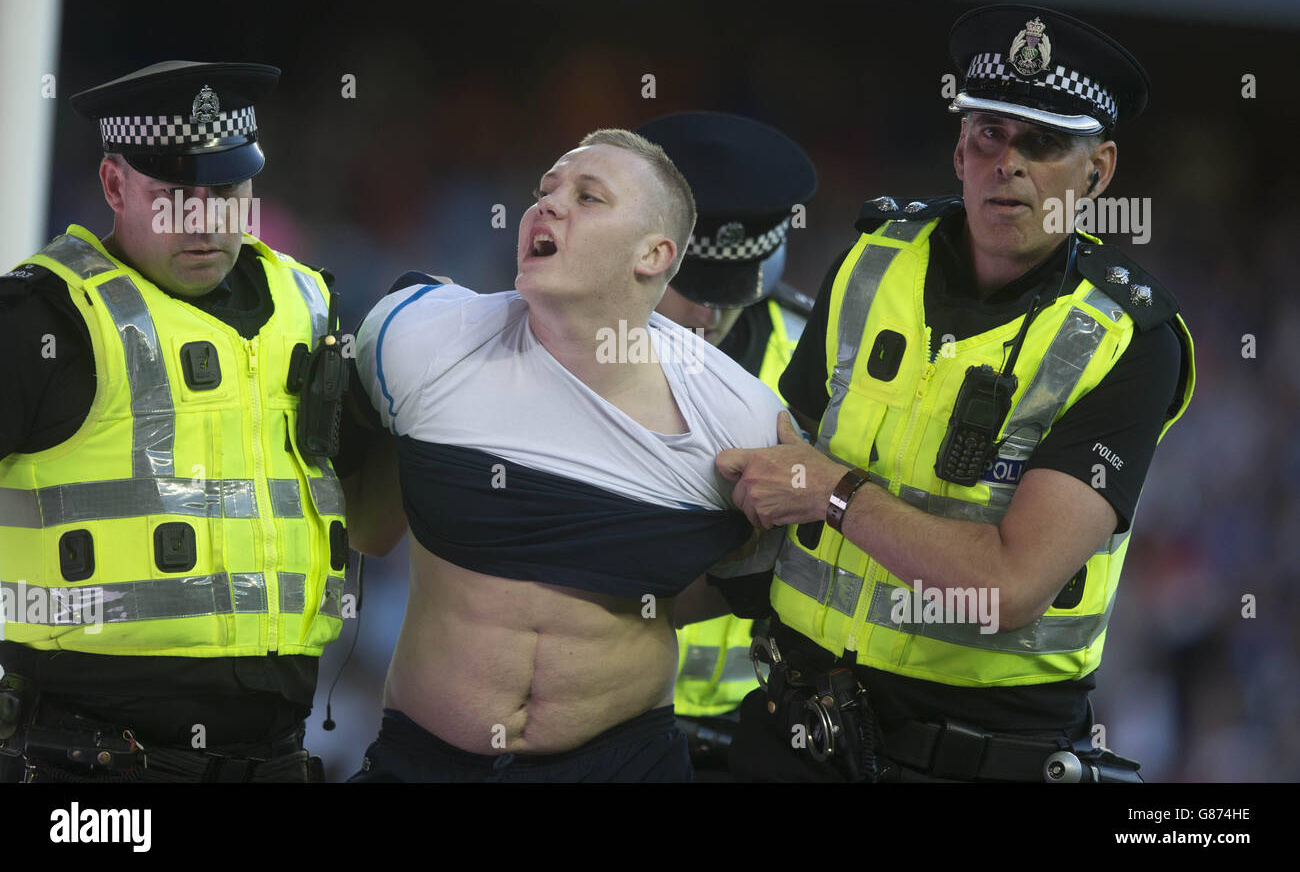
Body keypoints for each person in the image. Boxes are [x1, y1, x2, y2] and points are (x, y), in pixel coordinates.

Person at [714, 5, 1196, 782]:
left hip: (974, 758)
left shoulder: (1131, 339)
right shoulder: (870, 263)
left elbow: (1009, 589)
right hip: (791, 732)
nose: (1009, 163)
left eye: (1043, 143)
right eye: (989, 134)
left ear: (1098, 172)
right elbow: (774, 471)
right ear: (959, 150)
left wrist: (835, 495)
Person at [346, 129, 785, 782]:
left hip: (624, 766)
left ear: (654, 253)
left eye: (589, 196)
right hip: (422, 763)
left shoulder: (738, 417)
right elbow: (367, 529)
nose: (548, 206)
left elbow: (754, 578)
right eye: (545, 191)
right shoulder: (415, 332)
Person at [0, 61, 366, 782]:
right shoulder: (38, 320)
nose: (203, 222)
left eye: (226, 192)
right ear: (113, 185)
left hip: (277, 757)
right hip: (86, 767)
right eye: (172, 196)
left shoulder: (311, 308)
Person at [637, 111, 817, 772]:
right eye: (690, 286)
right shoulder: (565, 345)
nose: (709, 312)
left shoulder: (821, 361)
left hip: (757, 735)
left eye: (732, 288)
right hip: (594, 718)